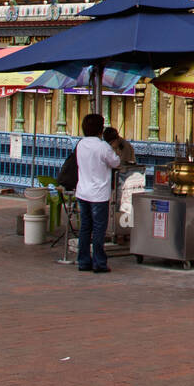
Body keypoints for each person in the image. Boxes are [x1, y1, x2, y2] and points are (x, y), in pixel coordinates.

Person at [75, 113, 120, 274]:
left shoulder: (80, 144)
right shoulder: (102, 146)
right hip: (99, 194)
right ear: (100, 129)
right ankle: (99, 262)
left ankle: (83, 260)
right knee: (99, 229)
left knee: (85, 228)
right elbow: (116, 162)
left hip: (83, 191)